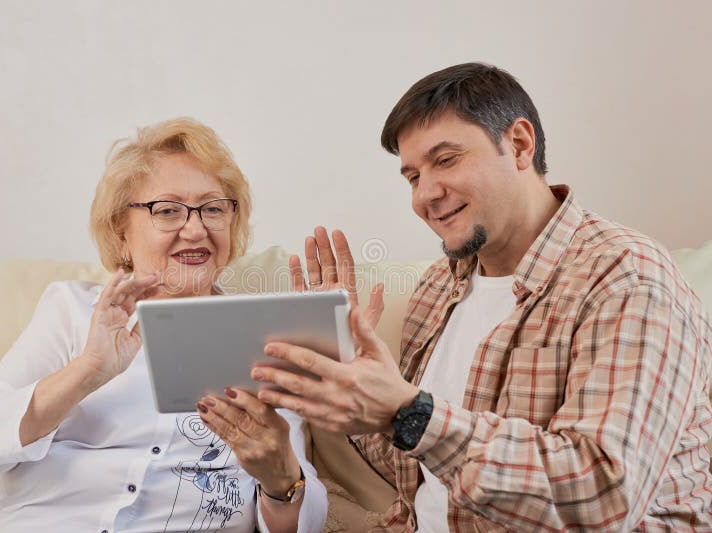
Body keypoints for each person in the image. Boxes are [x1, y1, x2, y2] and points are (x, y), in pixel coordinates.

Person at [252, 63, 712, 531]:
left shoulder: (625, 277)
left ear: (518, 145)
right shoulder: (439, 286)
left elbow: (602, 495)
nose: (425, 195)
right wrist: (351, 371)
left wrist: (409, 413)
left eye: (446, 159)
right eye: (412, 176)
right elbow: (417, 467)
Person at [0, 117, 326, 532]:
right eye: (168, 211)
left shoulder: (266, 338)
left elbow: (303, 521)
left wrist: (281, 477)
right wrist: (87, 371)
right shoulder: (71, 310)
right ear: (121, 231)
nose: (195, 229)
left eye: (213, 209)